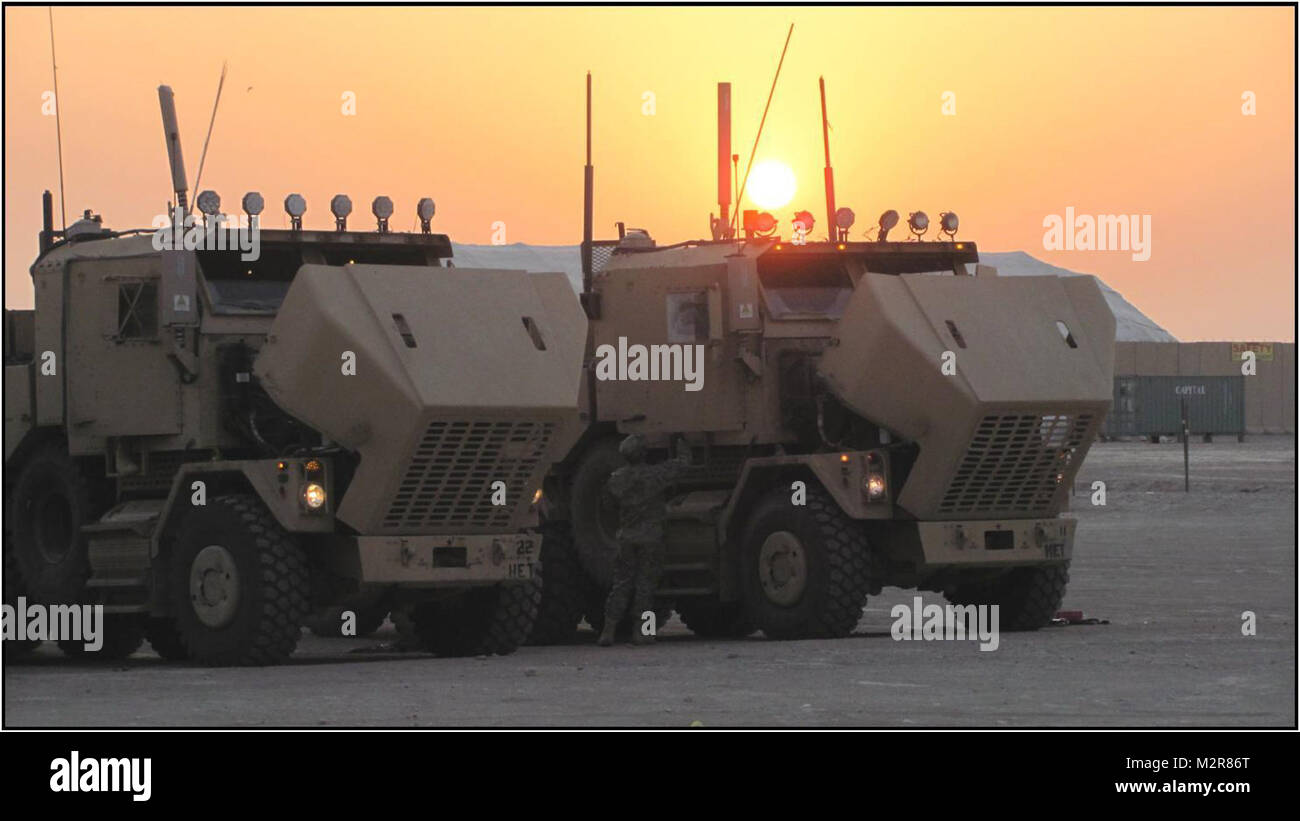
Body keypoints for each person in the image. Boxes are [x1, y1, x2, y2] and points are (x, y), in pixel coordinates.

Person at [598, 434, 692, 646]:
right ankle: (643, 632)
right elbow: (683, 464)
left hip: (626, 538)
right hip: (650, 538)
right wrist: (681, 441)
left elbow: (607, 506)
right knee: (645, 586)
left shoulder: (616, 479)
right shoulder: (655, 475)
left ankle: (608, 631)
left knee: (621, 584)